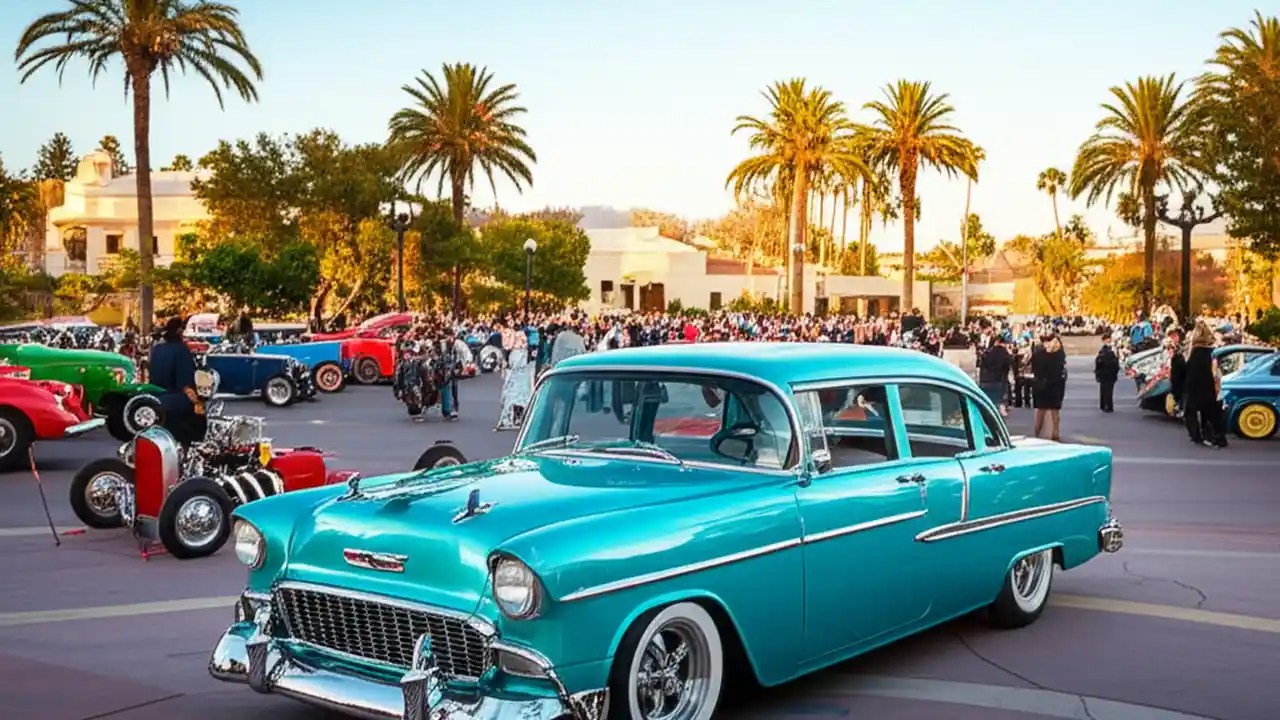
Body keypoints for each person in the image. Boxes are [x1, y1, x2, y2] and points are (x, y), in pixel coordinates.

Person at [147, 317, 205, 443]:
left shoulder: (157, 349)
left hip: (154, 399)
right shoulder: (182, 351)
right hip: (175, 404)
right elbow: (185, 384)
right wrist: (198, 402)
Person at [1183, 320, 1228, 448]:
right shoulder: (1212, 353)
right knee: (1210, 412)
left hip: (1193, 386)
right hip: (1208, 387)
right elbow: (1215, 372)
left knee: (1190, 412)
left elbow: (1186, 369)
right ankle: (1216, 436)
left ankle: (1196, 435)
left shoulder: (1192, 352)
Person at [496, 322, 535, 431]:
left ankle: (515, 416)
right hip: (523, 364)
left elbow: (507, 347)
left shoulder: (512, 334)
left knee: (513, 392)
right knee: (522, 392)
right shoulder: (524, 336)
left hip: (516, 360)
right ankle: (521, 416)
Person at [1031, 332, 1067, 441]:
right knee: (1052, 411)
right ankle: (1052, 432)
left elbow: (1035, 369)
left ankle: (1041, 432)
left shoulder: (1038, 355)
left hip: (1044, 385)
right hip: (1053, 385)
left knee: (1045, 411)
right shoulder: (1059, 355)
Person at [977, 335, 1012, 416]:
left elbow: (984, 362)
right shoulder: (1004, 352)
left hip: (987, 379)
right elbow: (1008, 363)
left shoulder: (989, 351)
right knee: (1001, 397)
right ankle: (1002, 408)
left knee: (989, 397)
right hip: (999, 378)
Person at [1094, 334, 1120, 412]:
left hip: (1108, 372)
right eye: (1106, 340)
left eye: (1109, 339)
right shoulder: (1103, 351)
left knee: (1106, 389)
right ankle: (1106, 405)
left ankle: (1106, 405)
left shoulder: (1109, 350)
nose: (1108, 341)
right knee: (1106, 389)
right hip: (1106, 372)